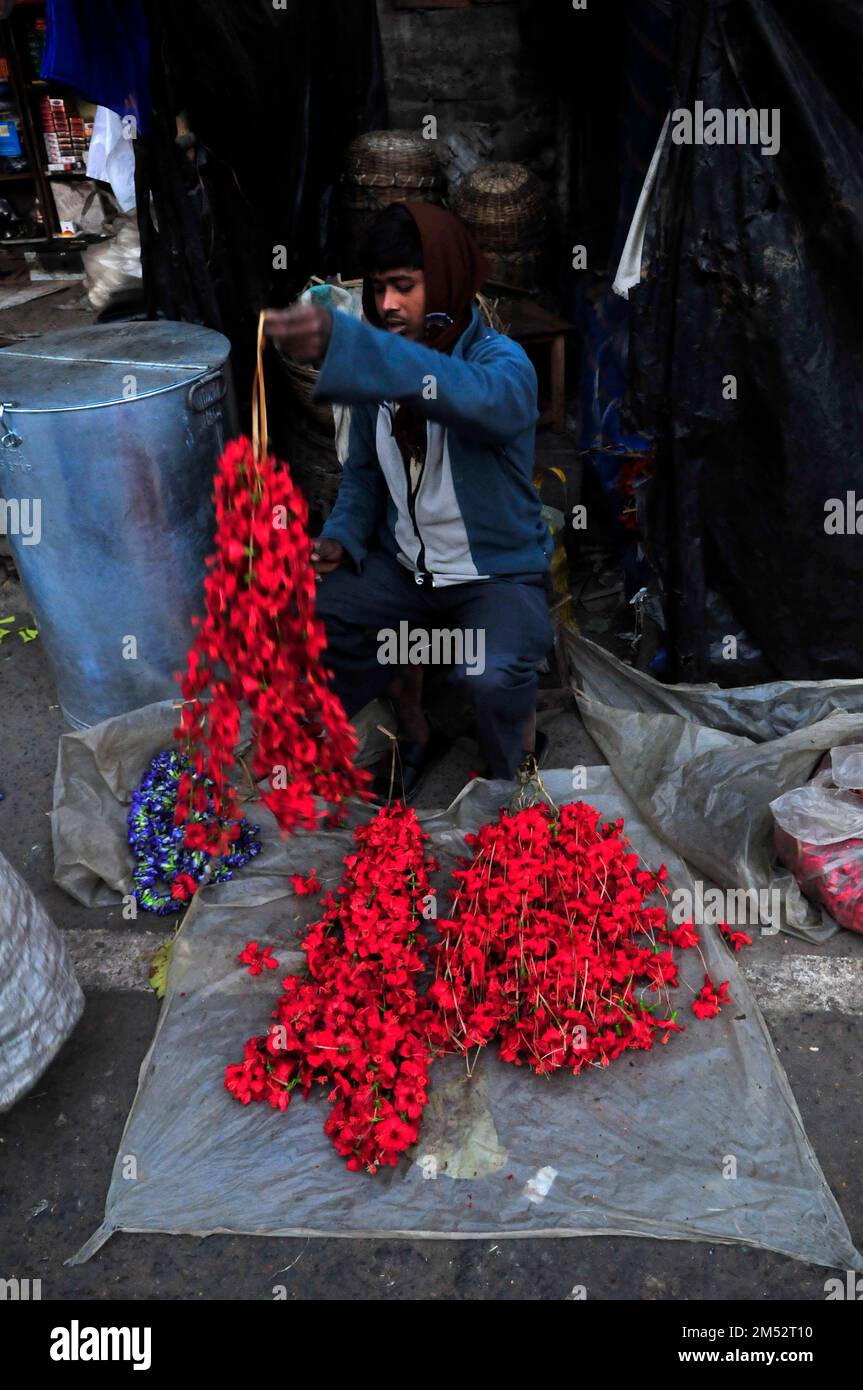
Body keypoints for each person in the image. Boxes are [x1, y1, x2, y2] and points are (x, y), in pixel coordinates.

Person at [263, 201, 553, 798]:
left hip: (494, 577)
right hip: (409, 572)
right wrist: (340, 537)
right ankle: (415, 728)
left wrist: (361, 351)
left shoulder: (500, 365)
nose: (388, 305)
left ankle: (513, 769)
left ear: (444, 280)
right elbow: (364, 476)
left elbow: (476, 399)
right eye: (377, 290)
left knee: (490, 675)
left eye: (405, 286)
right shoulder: (382, 371)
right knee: (312, 620)